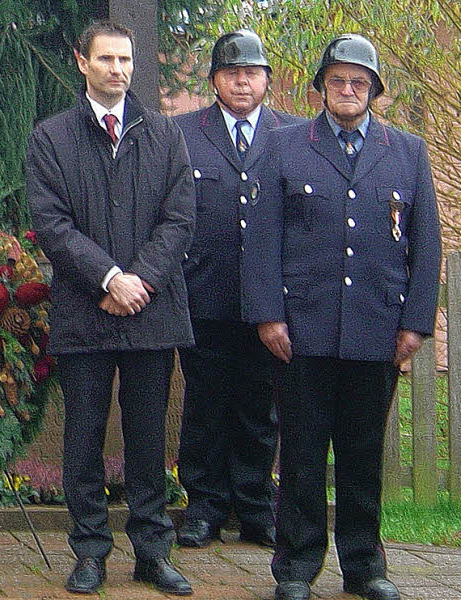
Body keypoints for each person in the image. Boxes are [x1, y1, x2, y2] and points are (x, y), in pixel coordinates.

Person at [245, 34, 441, 600]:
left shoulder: (407, 151)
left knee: (362, 455)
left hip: (376, 330)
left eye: (359, 82)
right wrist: (267, 316)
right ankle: (296, 569)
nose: (348, 90)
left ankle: (365, 566)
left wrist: (415, 322)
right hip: (300, 332)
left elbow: (424, 245)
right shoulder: (283, 147)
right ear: (321, 87)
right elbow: (262, 242)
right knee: (302, 454)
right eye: (338, 81)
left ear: (374, 90)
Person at [26, 19, 196, 596]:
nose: (119, 70)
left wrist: (138, 281)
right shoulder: (51, 137)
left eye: (125, 60)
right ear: (82, 62)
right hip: (85, 311)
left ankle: (152, 551)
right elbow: (51, 223)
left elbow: (179, 220)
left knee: (148, 438)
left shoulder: (166, 135)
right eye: (106, 60)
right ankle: (90, 551)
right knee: (84, 437)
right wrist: (107, 277)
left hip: (152, 312)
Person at [173, 29, 304, 549]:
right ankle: (203, 507)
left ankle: (254, 506)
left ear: (267, 79)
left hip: (269, 302)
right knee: (204, 405)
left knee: (259, 406)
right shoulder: (182, 133)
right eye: (231, 72)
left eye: (252, 71)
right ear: (214, 81)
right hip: (205, 294)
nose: (242, 81)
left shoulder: (293, 134)